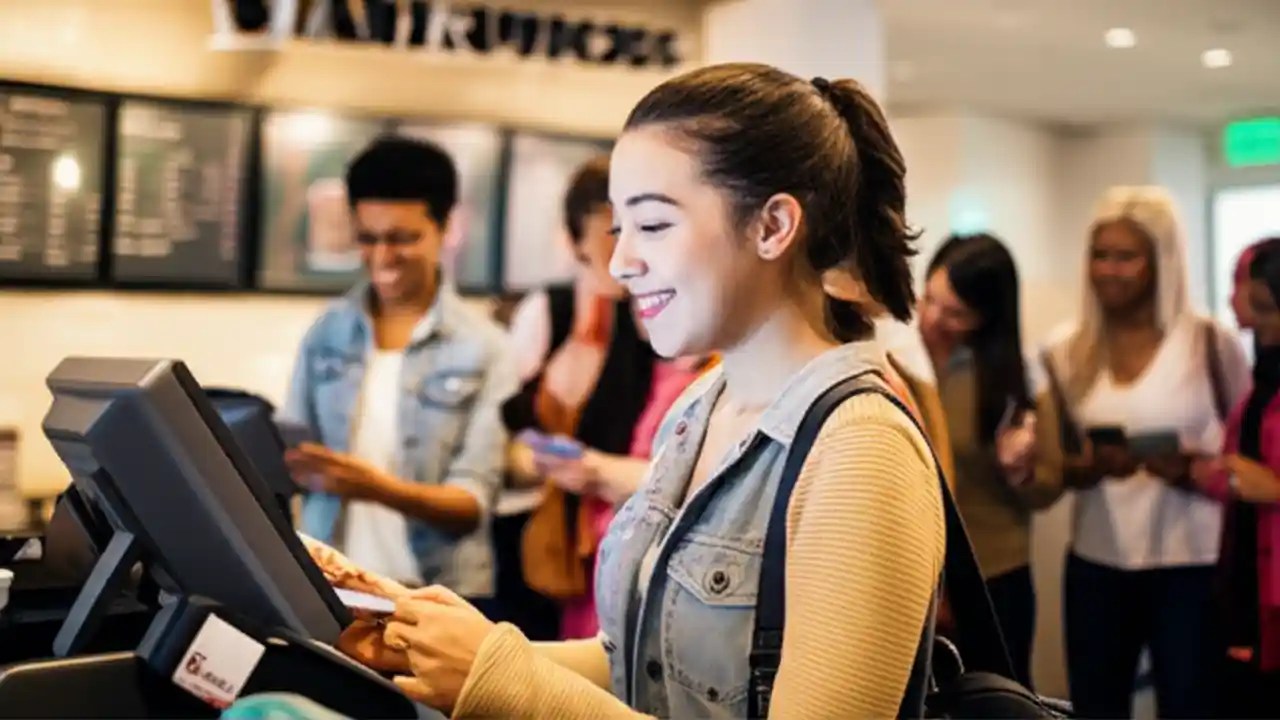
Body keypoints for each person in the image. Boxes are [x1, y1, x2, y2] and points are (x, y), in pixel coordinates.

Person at [250, 63, 946, 720]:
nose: (620, 262)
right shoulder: (699, 411)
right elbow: (639, 663)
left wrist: (500, 678)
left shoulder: (861, 453)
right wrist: (420, 633)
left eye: (652, 225)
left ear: (772, 226)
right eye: (619, 228)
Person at [280, 136, 516, 612]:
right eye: (367, 238)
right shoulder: (327, 333)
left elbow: (472, 505)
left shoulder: (485, 348)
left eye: (403, 238)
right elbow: (290, 456)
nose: (383, 257)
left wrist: (374, 487)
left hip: (437, 597)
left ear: (445, 227)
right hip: (332, 587)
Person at [1044, 186, 1251, 719]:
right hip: (1097, 560)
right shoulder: (1065, 351)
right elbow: (1057, 462)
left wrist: (1190, 471)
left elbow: (1247, 448)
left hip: (1192, 563)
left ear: (1161, 262)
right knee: (1096, 704)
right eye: (1099, 255)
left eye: (1126, 256)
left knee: (1191, 704)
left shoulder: (1209, 343)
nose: (1108, 270)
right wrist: (1087, 467)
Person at [498, 155, 659, 641]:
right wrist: (545, 461)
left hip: (619, 526)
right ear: (576, 240)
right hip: (537, 528)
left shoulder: (657, 317)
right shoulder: (552, 311)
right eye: (610, 229)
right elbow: (506, 433)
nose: (623, 248)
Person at [907, 233, 1065, 687]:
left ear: (988, 317)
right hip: (915, 577)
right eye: (930, 298)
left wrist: (1019, 472)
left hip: (992, 578)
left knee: (998, 702)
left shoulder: (1017, 373)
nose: (933, 319)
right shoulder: (897, 355)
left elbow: (1050, 485)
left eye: (956, 313)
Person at [1212, 239, 1280, 718]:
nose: (1232, 296)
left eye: (1240, 281)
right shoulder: (1259, 381)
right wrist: (1194, 471)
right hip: (1251, 591)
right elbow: (1241, 477)